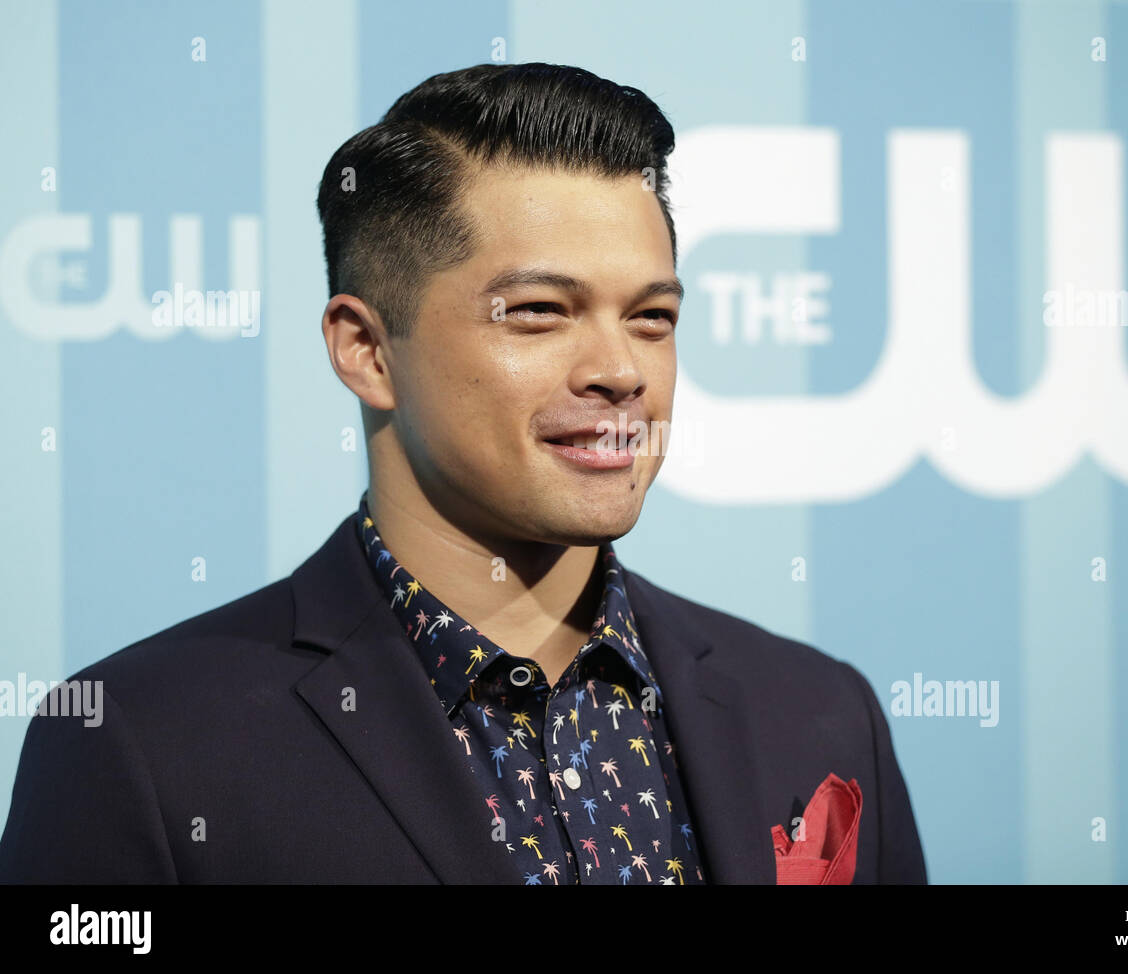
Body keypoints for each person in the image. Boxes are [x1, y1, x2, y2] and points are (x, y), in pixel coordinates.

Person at [0, 62, 926, 885]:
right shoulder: (144, 743)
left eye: (651, 317)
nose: (621, 370)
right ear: (366, 350)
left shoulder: (818, 711)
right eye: (539, 310)